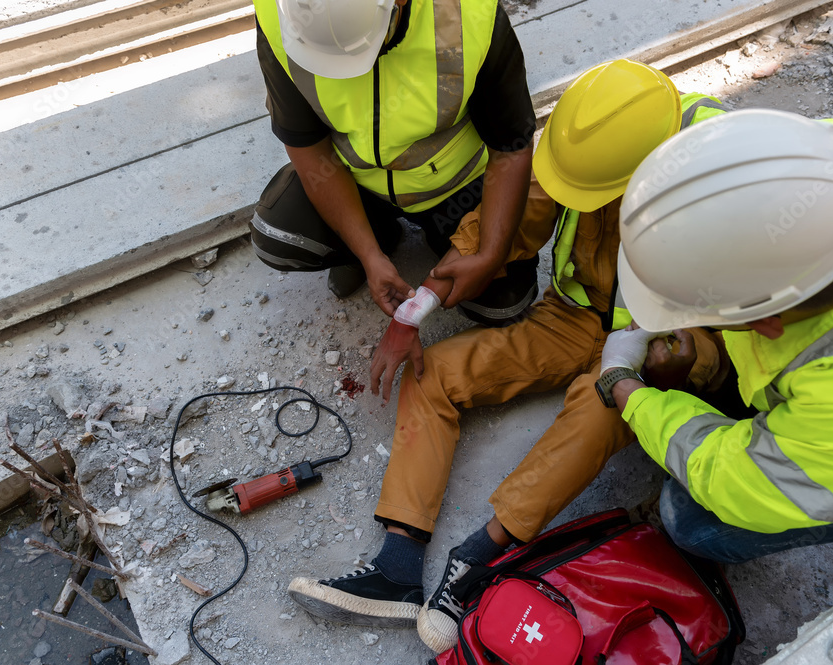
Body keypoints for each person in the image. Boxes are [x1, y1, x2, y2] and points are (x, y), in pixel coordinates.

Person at [288, 60, 730, 652]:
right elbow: (511, 223)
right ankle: (396, 567)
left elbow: (747, 338)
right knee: (435, 370)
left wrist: (688, 364)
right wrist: (416, 308)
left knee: (603, 405)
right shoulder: (589, 143)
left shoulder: (723, 180)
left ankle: (478, 559)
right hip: (574, 317)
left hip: (659, 344)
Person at [597, 109, 833, 567]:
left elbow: (730, 478)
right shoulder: (830, 158)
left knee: (692, 520)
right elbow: (705, 131)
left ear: (768, 324)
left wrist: (625, 387)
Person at [249, 0, 542, 328]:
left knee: (503, 302)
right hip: (358, 184)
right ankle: (378, 238)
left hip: (457, 186)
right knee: (276, 234)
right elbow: (309, 147)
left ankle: (443, 234)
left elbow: (511, 148)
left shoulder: (471, 13)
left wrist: (489, 253)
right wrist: (368, 254)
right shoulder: (280, 14)